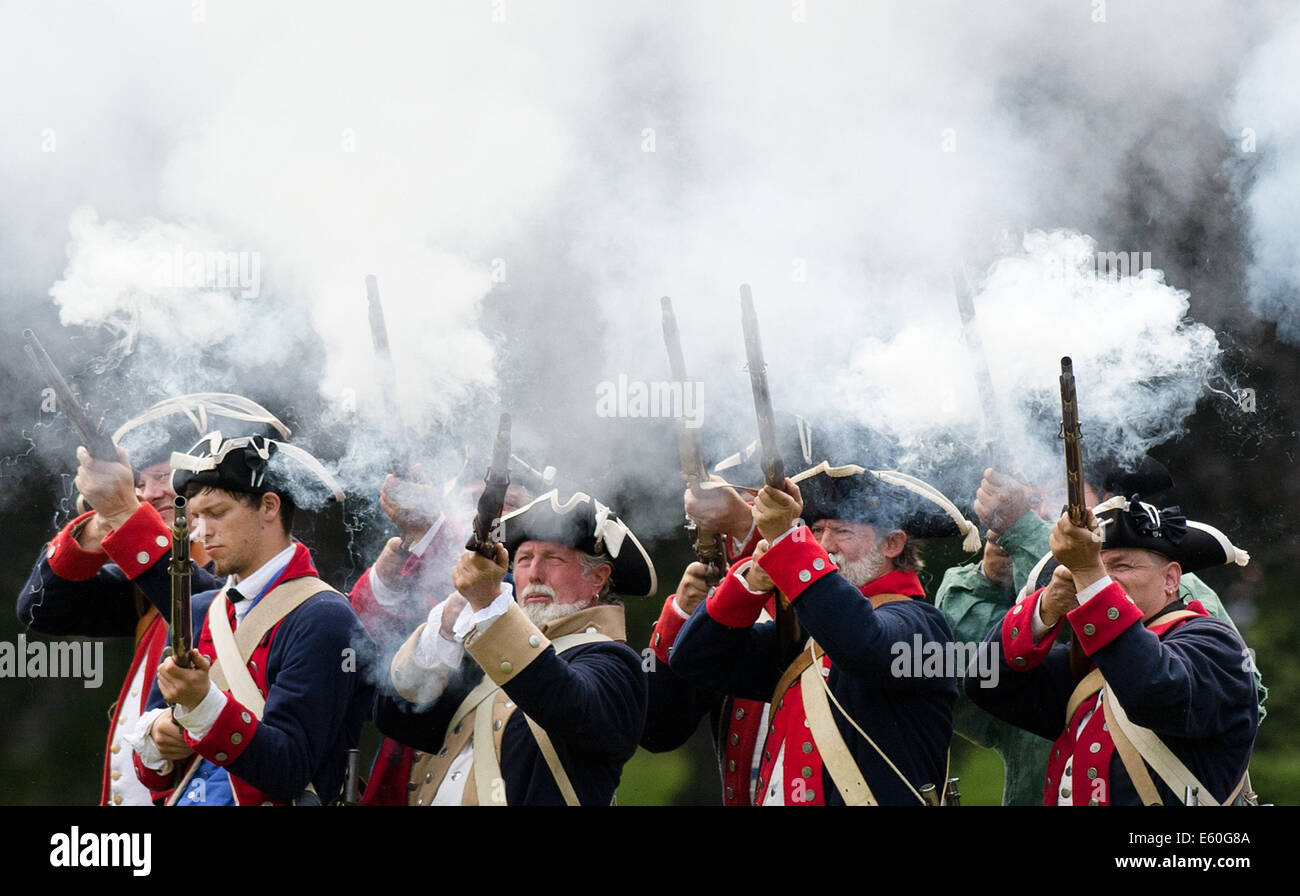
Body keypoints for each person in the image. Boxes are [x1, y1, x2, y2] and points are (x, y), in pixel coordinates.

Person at [936, 461, 1266, 804]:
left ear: (1171, 579)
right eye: (1099, 569)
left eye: (1122, 565)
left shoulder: (1215, 645)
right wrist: (1046, 607)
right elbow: (987, 683)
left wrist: (1091, 577)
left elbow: (1152, 687)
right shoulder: (1089, 668)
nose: (1105, 579)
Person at [15, 394, 288, 805]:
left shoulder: (259, 571)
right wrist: (101, 523)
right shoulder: (148, 584)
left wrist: (127, 514)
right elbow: (41, 610)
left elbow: (209, 610)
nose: (152, 493)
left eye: (165, 476)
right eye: (138, 484)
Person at [670, 461, 975, 805]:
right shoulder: (806, 639)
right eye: (816, 531)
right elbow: (696, 660)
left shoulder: (922, 628)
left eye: (842, 531)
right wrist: (752, 581)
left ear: (892, 543)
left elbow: (862, 644)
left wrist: (788, 542)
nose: (824, 545)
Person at [127, 431, 372, 805]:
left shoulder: (325, 618)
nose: (202, 532)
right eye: (196, 517)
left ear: (269, 506)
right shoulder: (198, 611)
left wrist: (204, 705)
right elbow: (156, 777)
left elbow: (289, 769)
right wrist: (161, 734)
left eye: (218, 513)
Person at [376, 489, 652, 805]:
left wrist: (489, 605)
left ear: (598, 578)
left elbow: (567, 703)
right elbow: (398, 719)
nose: (534, 574)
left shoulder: (615, 664)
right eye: (523, 559)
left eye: (553, 559)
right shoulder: (485, 646)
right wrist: (446, 625)